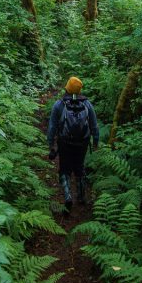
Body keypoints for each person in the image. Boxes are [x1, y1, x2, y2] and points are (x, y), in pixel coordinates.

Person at [46, 76, 99, 213]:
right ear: (80, 90)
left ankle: (68, 196)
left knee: (65, 168)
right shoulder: (87, 104)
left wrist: (51, 144)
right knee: (79, 167)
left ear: (67, 88)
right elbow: (94, 125)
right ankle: (81, 197)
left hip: (65, 142)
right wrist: (96, 142)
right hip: (83, 142)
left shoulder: (59, 104)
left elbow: (52, 126)